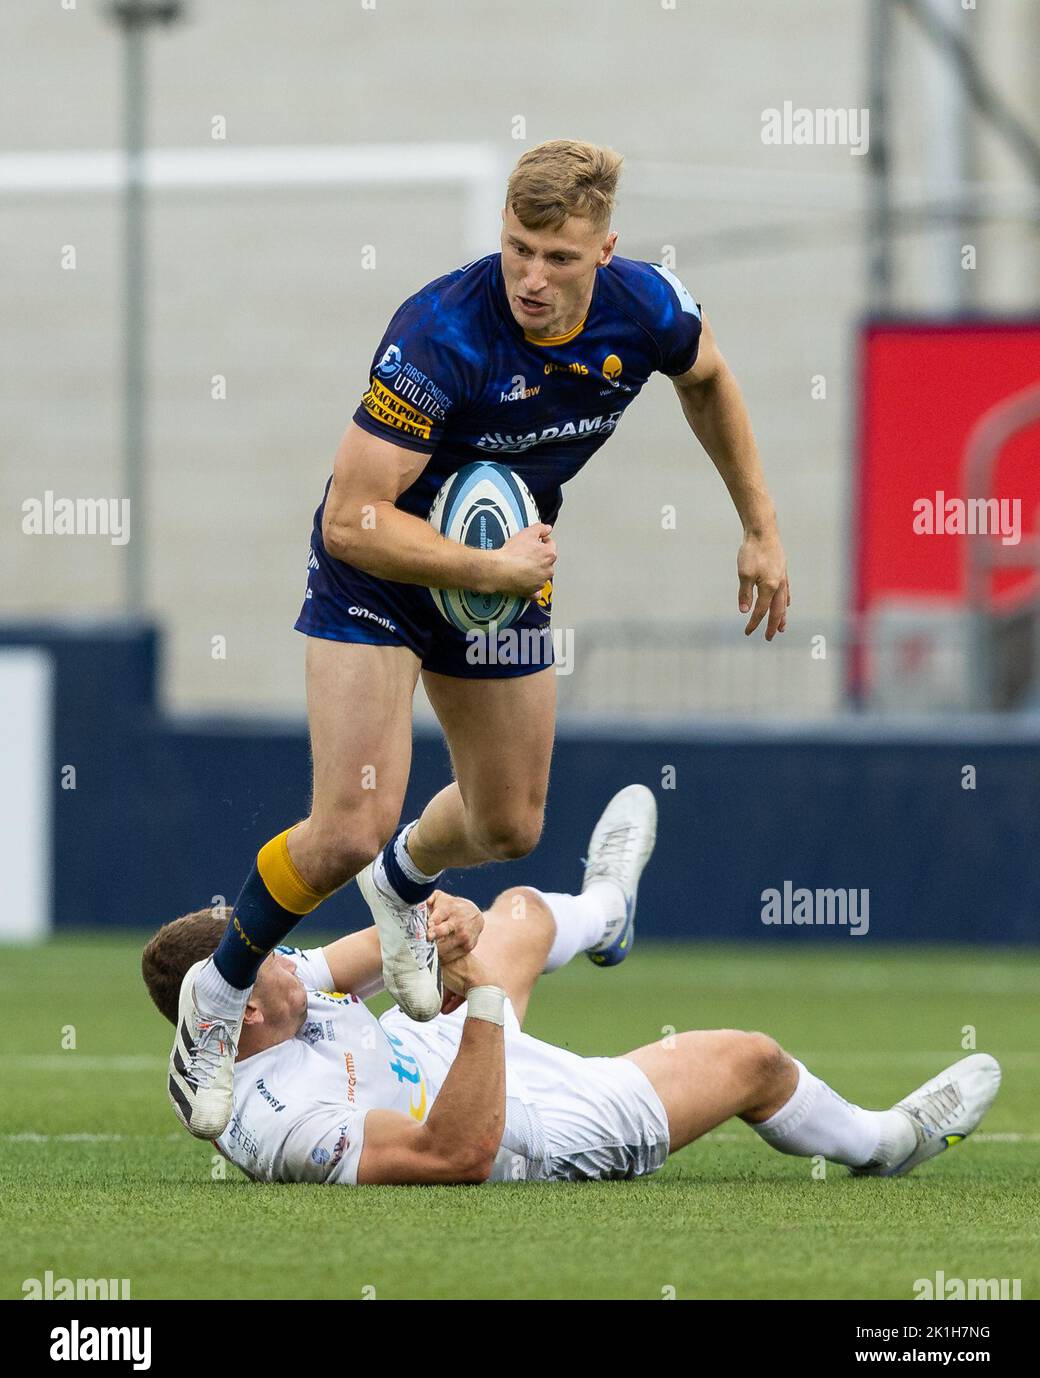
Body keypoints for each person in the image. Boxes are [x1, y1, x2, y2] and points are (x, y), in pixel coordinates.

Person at [168, 137, 791, 1142]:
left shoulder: (647, 308)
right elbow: (351, 519)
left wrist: (759, 527)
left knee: (507, 824)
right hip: (376, 577)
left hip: (494, 581)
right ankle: (216, 993)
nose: (533, 278)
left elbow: (707, 378)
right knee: (345, 826)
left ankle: (405, 880)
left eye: (558, 257)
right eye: (517, 250)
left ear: (605, 252)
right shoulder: (438, 333)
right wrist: (491, 571)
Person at [150, 788, 1000, 1184]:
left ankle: (608, 907)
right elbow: (456, 1153)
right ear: (246, 1008)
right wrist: (475, 993)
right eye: (270, 955)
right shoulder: (272, 1121)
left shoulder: (261, 1001)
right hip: (527, 1130)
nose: (290, 954)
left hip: (437, 1053)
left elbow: (382, 940)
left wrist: (441, 924)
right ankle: (885, 1141)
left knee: (514, 909)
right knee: (756, 1061)